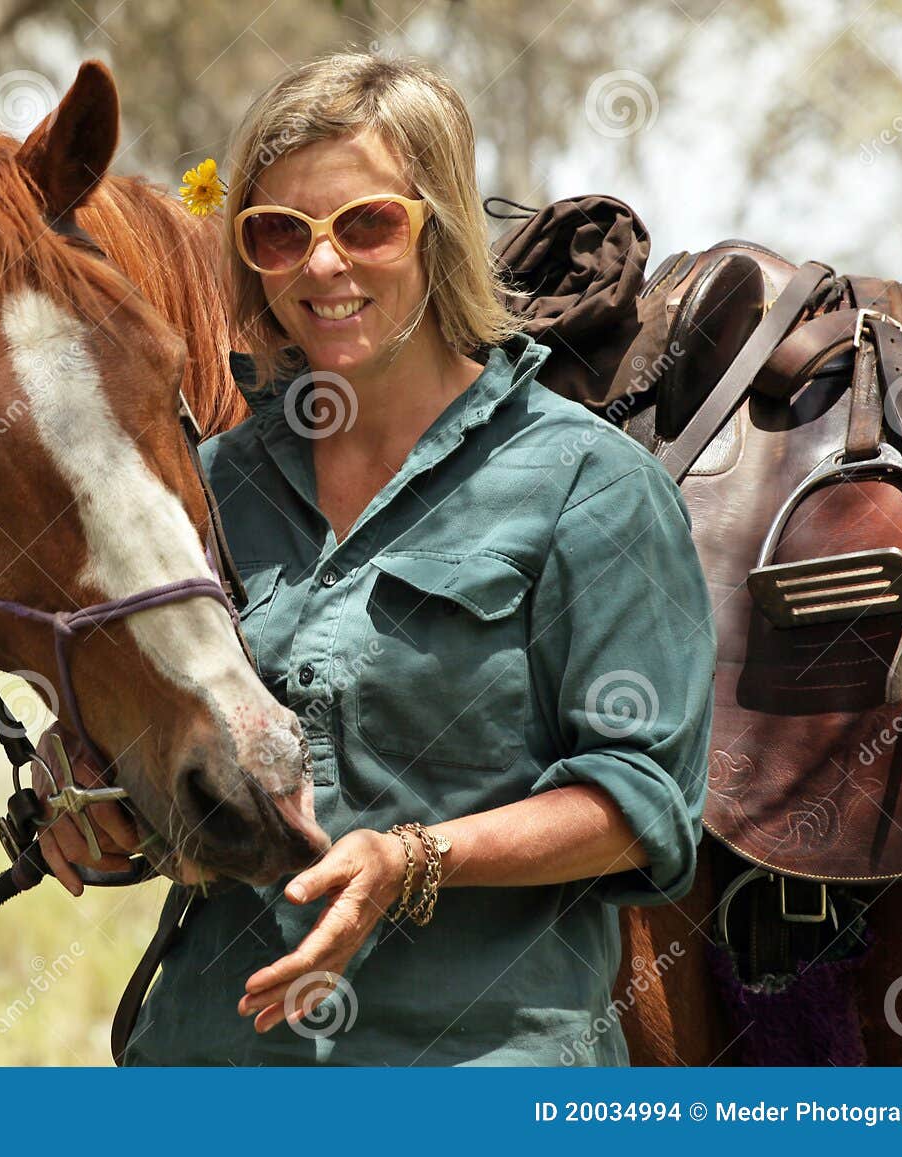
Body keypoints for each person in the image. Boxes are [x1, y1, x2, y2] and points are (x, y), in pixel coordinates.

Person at [38, 50, 715, 1065]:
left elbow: (642, 801)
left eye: (366, 224)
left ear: (437, 229)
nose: (321, 266)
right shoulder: (207, 488)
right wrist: (85, 796)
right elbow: (154, 743)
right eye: (280, 232)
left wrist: (414, 859)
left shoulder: (590, 484)